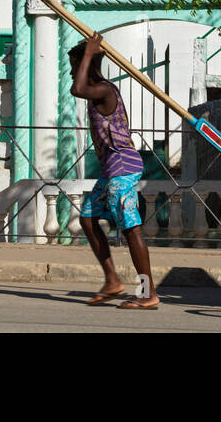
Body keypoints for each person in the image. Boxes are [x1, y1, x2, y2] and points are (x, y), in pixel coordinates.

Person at [70, 34, 159, 310]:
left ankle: (148, 293)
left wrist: (87, 54)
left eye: (74, 67)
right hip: (111, 171)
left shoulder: (105, 90)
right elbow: (79, 87)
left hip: (123, 168)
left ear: (87, 66)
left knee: (131, 229)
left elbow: (77, 89)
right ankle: (112, 280)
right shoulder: (97, 91)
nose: (72, 73)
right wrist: (87, 55)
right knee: (88, 219)